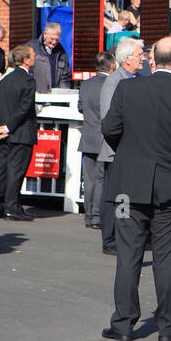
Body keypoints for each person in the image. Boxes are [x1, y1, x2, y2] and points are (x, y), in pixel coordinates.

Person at [101, 37, 171, 341]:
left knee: (128, 256)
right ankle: (168, 327)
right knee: (169, 260)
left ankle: (122, 324)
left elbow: (109, 129)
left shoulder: (127, 89)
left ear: (152, 61)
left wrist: (129, 157)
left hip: (127, 188)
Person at [98, 38, 143, 254]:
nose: (143, 58)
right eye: (139, 55)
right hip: (116, 151)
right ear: (127, 60)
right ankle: (110, 239)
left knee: (125, 196)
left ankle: (123, 236)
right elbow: (109, 121)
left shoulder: (134, 79)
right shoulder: (114, 82)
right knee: (112, 196)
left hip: (128, 151)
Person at [0, 44, 39, 221]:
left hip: (4, 132)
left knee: (1, 169)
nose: (35, 57)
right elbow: (25, 108)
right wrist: (8, 127)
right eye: (32, 55)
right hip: (20, 132)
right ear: (25, 60)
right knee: (16, 171)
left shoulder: (4, 80)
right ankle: (12, 207)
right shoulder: (28, 80)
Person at [78, 52, 114, 231]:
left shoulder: (86, 84)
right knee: (100, 179)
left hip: (88, 135)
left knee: (90, 179)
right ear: (111, 65)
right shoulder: (110, 85)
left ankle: (89, 215)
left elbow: (81, 107)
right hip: (103, 138)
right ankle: (96, 216)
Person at [30, 22, 72, 92]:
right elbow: (27, 73)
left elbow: (65, 77)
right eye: (52, 39)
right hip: (37, 95)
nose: (54, 42)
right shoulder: (32, 48)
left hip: (55, 98)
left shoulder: (62, 53)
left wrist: (63, 93)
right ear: (45, 34)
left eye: (57, 39)